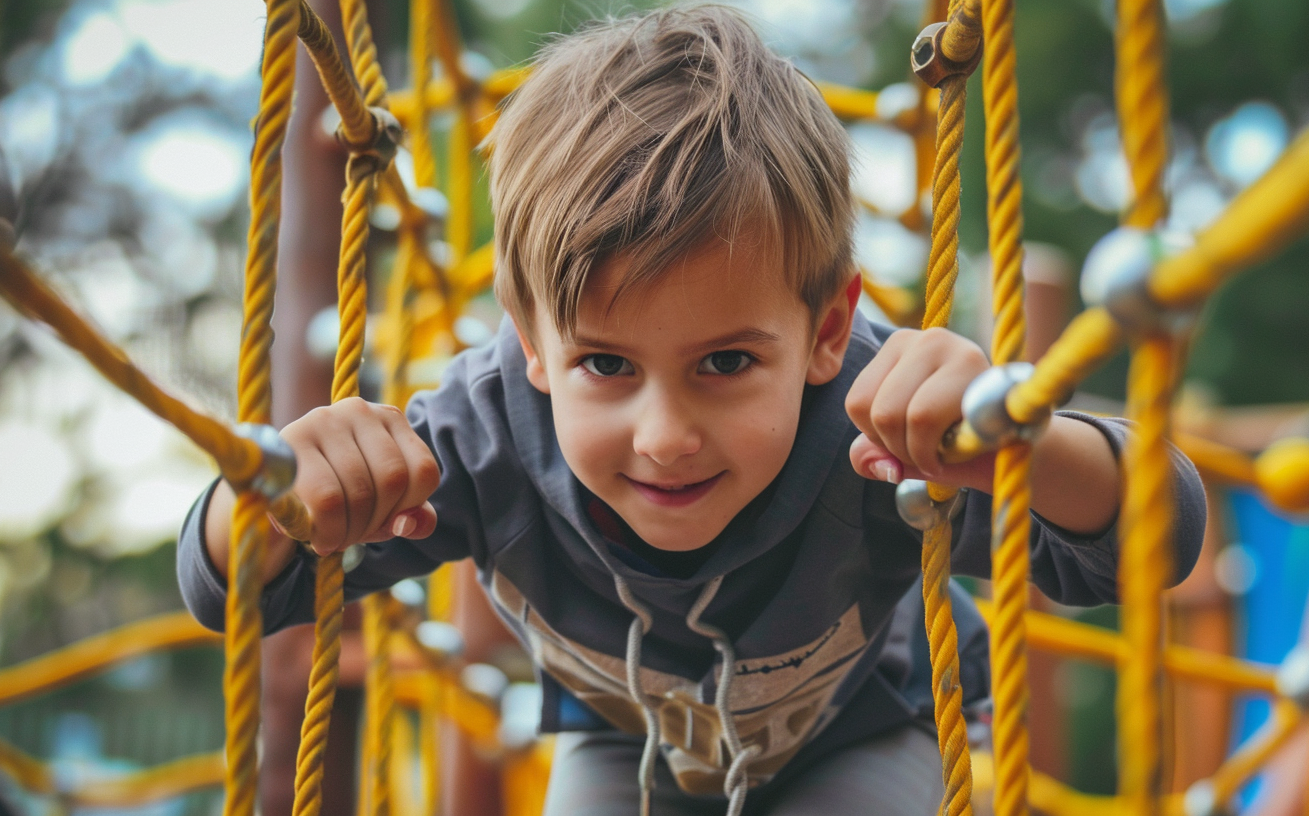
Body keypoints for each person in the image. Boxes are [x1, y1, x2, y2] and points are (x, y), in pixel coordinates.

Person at [177, 7, 1206, 815]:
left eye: (723, 361)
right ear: (530, 340)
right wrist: (276, 500)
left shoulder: (879, 428)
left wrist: (1009, 441)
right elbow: (236, 596)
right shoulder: (480, 440)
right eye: (606, 366)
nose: (665, 435)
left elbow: (1149, 542)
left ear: (826, 328)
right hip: (623, 742)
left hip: (863, 730)